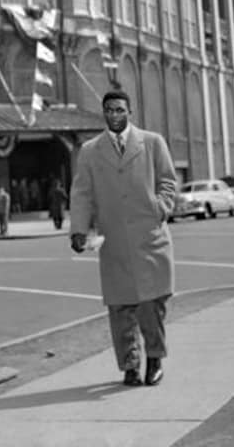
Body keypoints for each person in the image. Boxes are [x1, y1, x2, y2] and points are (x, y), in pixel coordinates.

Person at [70, 89, 177, 388]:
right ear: (103, 113)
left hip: (150, 238)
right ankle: (130, 365)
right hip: (114, 241)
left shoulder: (153, 142)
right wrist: (79, 230)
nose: (114, 115)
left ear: (130, 112)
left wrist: (161, 207)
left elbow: (168, 180)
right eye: (109, 110)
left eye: (119, 109)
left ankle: (154, 359)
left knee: (151, 305)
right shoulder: (90, 151)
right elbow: (82, 193)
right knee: (121, 308)